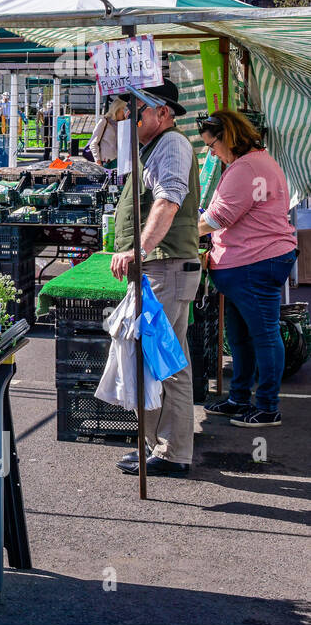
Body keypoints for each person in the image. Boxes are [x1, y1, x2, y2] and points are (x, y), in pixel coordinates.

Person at [108, 79, 202, 478]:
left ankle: (172, 451)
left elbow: (167, 200)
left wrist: (139, 249)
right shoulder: (155, 146)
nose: (132, 115)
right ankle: (160, 446)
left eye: (139, 109)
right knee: (160, 360)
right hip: (160, 267)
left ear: (163, 113)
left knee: (165, 362)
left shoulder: (172, 146)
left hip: (165, 266)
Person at [197, 110, 297, 427]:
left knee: (264, 335)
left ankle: (267, 407)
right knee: (241, 337)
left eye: (212, 145)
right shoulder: (253, 163)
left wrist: (178, 233)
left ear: (226, 137)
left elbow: (218, 218)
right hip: (249, 262)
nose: (211, 152)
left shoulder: (248, 167)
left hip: (256, 261)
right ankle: (240, 397)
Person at [88, 99, 127, 168]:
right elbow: (93, 143)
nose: (125, 113)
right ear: (117, 110)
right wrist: (98, 161)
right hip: (106, 163)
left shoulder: (124, 124)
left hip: (121, 162)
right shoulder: (104, 121)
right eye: (123, 110)